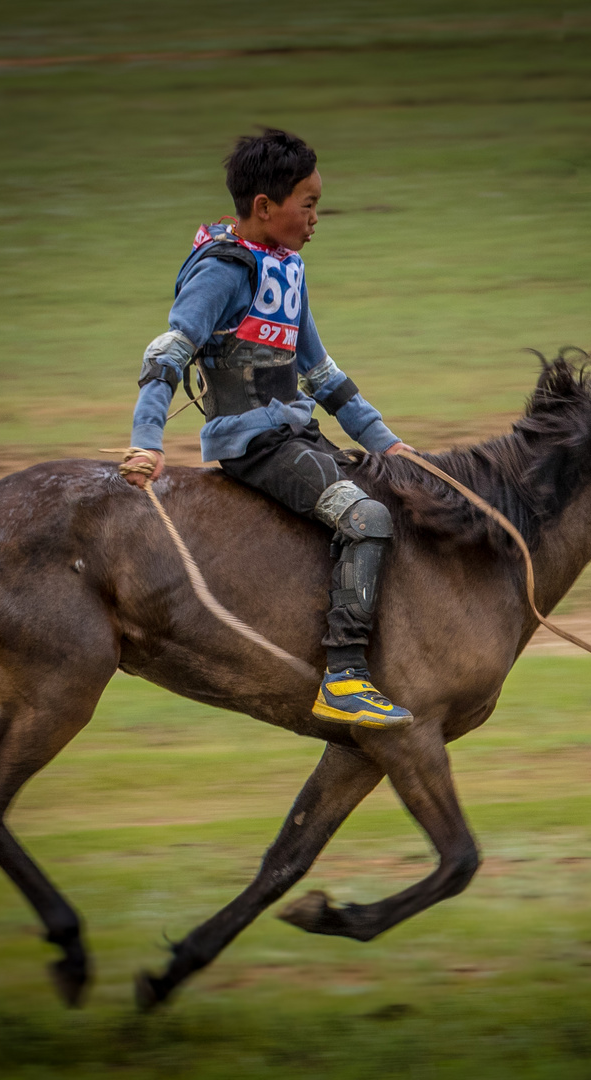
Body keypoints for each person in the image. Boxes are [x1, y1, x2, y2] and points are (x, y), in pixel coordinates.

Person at [120, 128, 416, 730]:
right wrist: (147, 441)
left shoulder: (286, 269)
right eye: (307, 204)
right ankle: (345, 678)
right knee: (366, 519)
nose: (315, 218)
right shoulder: (222, 272)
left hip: (296, 436)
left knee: (391, 493)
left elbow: (323, 374)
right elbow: (169, 352)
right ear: (264, 207)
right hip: (253, 445)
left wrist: (388, 445)